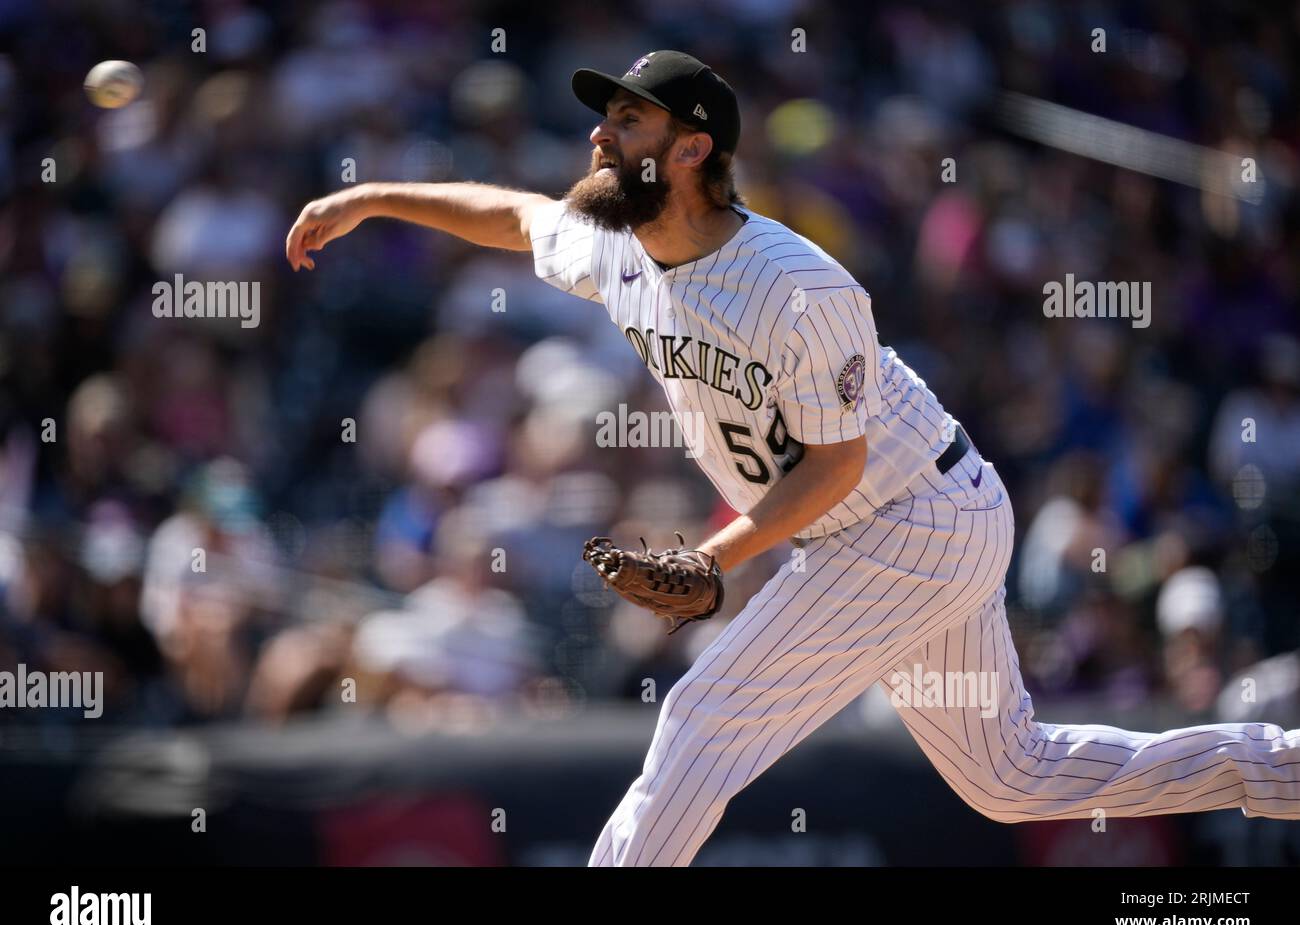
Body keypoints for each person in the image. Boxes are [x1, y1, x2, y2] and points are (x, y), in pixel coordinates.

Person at [286, 50, 1300, 867]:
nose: (599, 132)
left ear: (690, 151)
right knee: (1010, 776)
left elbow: (836, 465)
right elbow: (516, 217)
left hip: (909, 514)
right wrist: (374, 197)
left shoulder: (792, 286)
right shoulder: (620, 244)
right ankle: (1284, 769)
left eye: (627, 121)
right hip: (887, 525)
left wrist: (717, 558)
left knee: (700, 714)